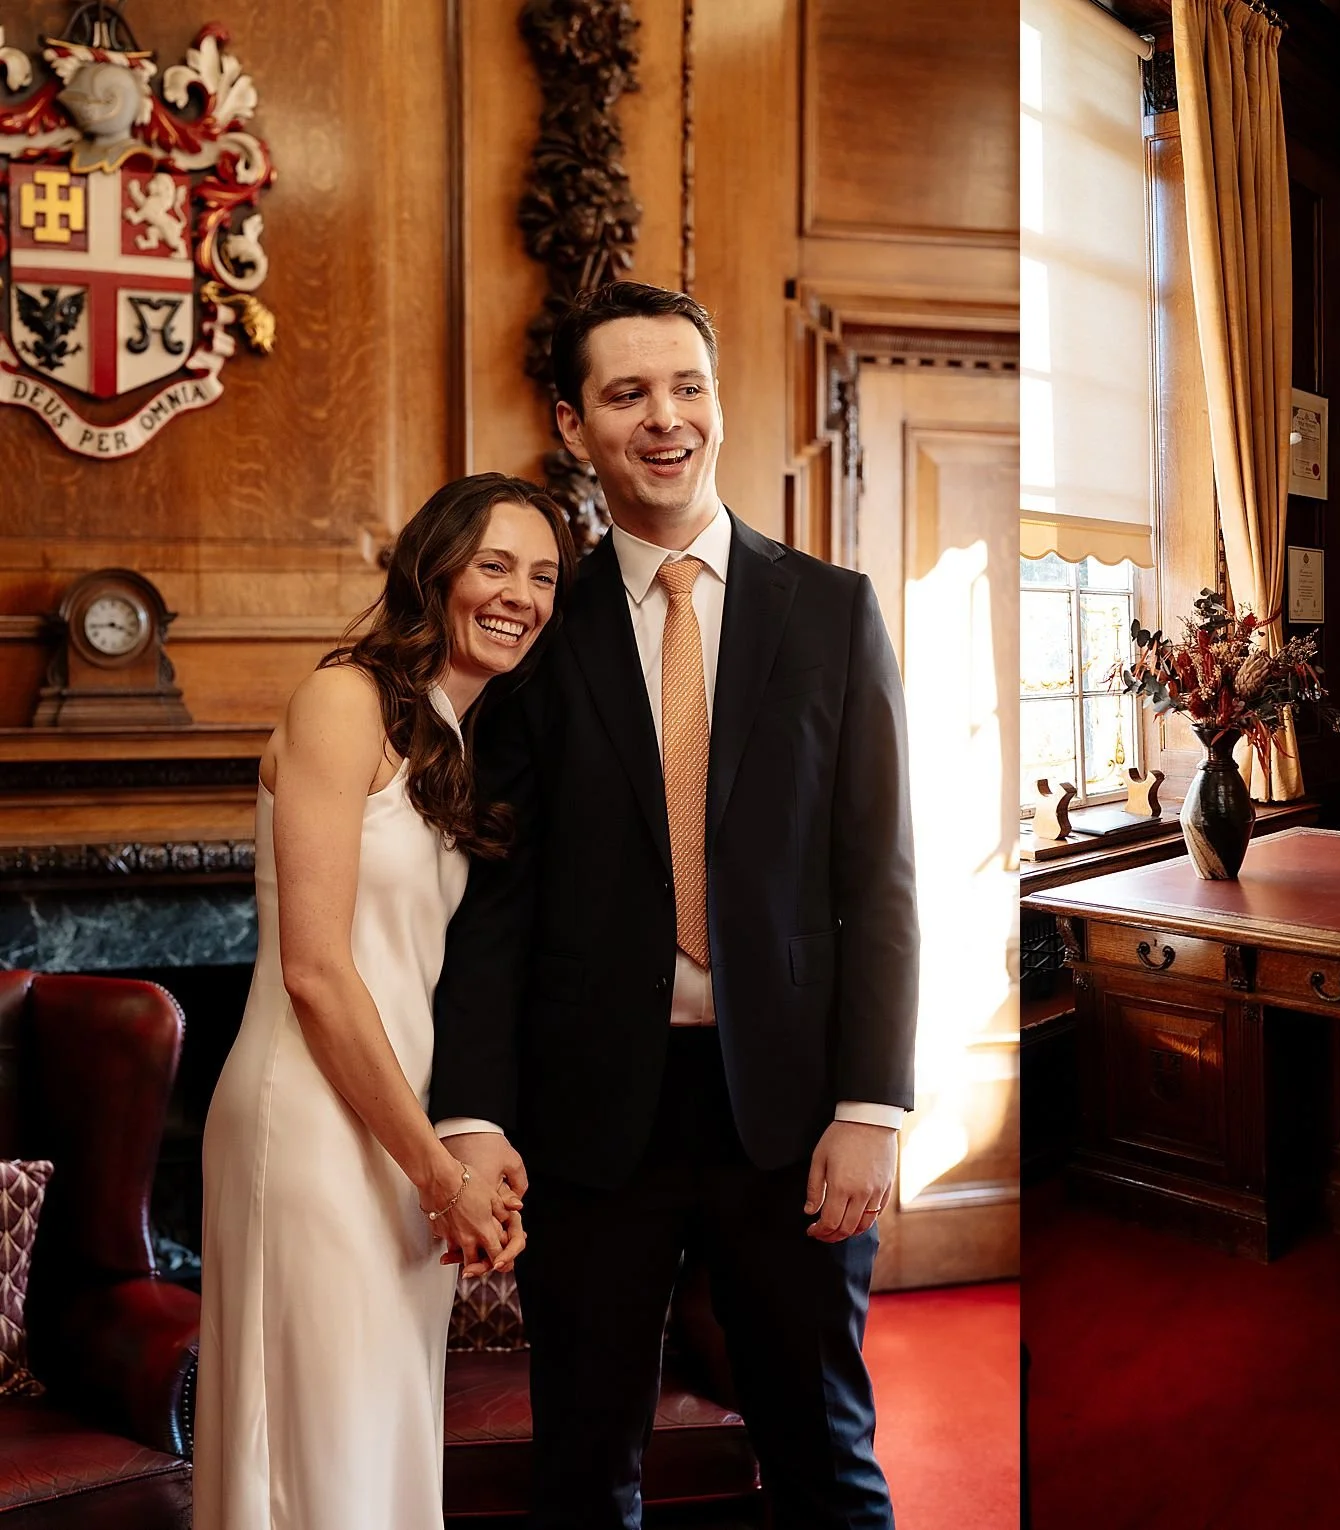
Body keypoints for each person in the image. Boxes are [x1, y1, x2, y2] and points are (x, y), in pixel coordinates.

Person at [430, 282, 918, 1529]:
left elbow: (880, 878)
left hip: (797, 1115)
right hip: (593, 1121)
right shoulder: (537, 630)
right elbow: (497, 902)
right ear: (575, 422)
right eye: (627, 393)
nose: (665, 418)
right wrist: (473, 1116)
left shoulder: (835, 611)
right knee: (586, 1470)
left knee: (826, 1459)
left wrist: (873, 1106)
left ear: (719, 401)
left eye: (687, 386)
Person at [194, 474, 577, 1530]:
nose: (521, 596)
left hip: (399, 1128)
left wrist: (457, 1149)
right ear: (434, 568)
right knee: (312, 1460)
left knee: (379, 1444)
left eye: (544, 576)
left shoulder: (455, 740)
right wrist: (437, 1172)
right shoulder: (341, 700)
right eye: (495, 565)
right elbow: (315, 971)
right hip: (314, 1126)